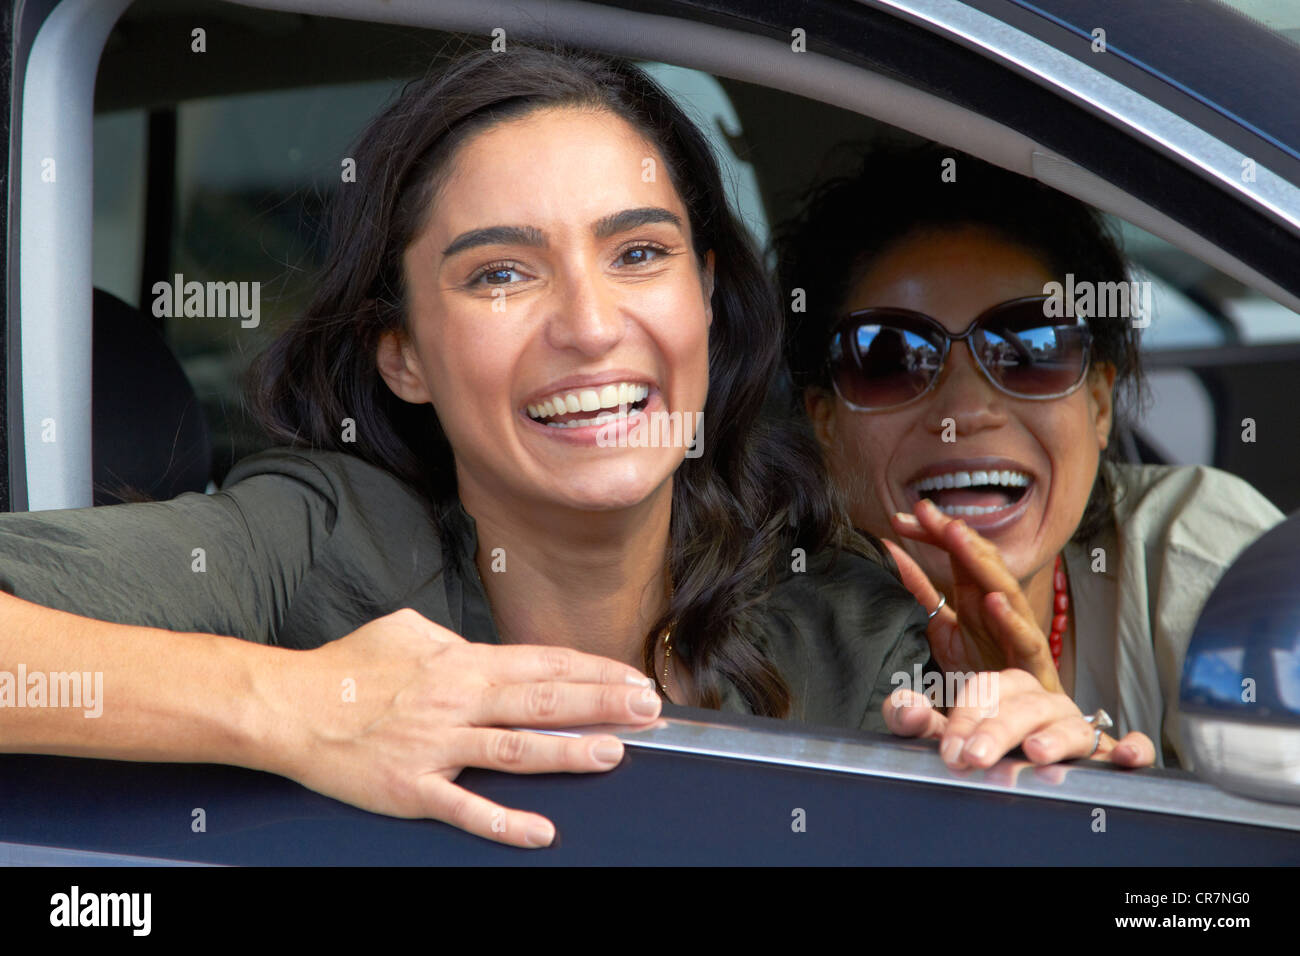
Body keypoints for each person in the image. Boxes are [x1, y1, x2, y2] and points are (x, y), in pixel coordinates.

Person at [776, 143, 1284, 768]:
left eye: (1028, 348)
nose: (965, 410)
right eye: (891, 359)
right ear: (822, 420)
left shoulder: (1203, 559)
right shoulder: (744, 631)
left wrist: (1094, 785)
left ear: (1099, 403)